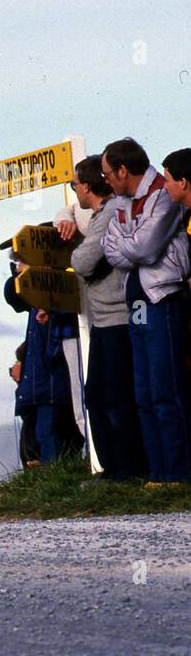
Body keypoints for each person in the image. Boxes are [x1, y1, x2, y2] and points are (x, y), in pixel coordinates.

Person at [101, 137, 191, 485]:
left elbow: (147, 248)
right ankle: (158, 472)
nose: (106, 178)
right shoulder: (122, 201)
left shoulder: (163, 194)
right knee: (144, 391)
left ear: (124, 170)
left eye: (109, 172)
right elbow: (114, 250)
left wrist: (130, 243)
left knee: (164, 386)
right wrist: (132, 245)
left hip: (160, 297)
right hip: (136, 299)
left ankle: (177, 470)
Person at [67, 154, 146, 480]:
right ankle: (116, 469)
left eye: (74, 186)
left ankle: (124, 470)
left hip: (114, 318)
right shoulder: (105, 213)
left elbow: (84, 262)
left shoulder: (109, 213)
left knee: (111, 397)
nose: (74, 192)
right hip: (105, 319)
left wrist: (77, 250)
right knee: (101, 395)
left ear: (87, 186)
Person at [5, 263, 80, 464]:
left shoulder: (55, 295)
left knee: (51, 441)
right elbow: (11, 293)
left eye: (22, 261)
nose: (19, 268)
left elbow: (54, 347)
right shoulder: (37, 298)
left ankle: (55, 482)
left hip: (50, 384)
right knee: (39, 441)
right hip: (40, 385)